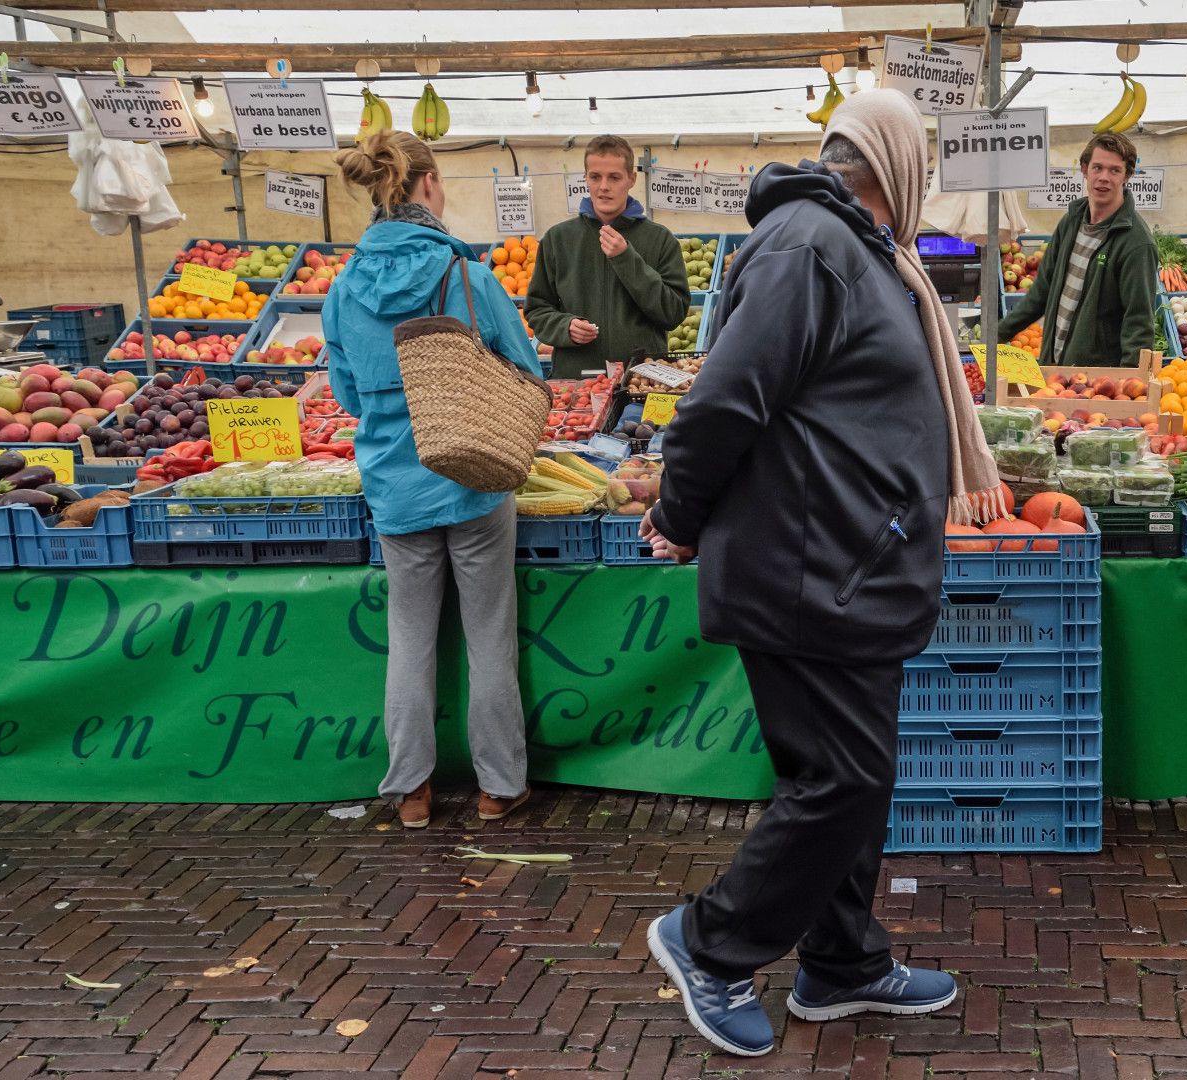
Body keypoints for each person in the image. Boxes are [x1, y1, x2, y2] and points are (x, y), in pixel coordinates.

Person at [636, 89, 1004, 1058]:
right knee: (844, 777)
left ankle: (840, 964)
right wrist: (678, 515)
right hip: (809, 562)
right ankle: (710, 942)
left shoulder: (859, 247)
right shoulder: (810, 244)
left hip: (854, 557)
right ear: (894, 164)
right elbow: (723, 401)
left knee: (852, 778)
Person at [322, 130, 545, 830]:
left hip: (394, 485)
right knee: (488, 639)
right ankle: (498, 787)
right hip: (473, 480)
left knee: (410, 642)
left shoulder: (344, 286)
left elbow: (348, 395)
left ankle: (411, 792)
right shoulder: (466, 276)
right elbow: (527, 372)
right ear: (426, 183)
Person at [525, 134, 690, 377]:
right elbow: (536, 309)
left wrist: (626, 258)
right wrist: (565, 327)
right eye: (595, 177)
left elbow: (673, 313)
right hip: (578, 384)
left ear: (631, 179)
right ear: (586, 179)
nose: (604, 187)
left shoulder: (660, 239)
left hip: (641, 380)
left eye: (614, 177)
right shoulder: (557, 240)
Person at [998, 131, 1160, 365]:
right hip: (1054, 365)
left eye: (1114, 170)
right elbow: (1041, 291)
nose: (1104, 177)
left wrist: (1130, 385)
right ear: (1084, 169)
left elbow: (1138, 322)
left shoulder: (1136, 243)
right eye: (1097, 168)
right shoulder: (1071, 222)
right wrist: (999, 333)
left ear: (1127, 176)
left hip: (1097, 381)